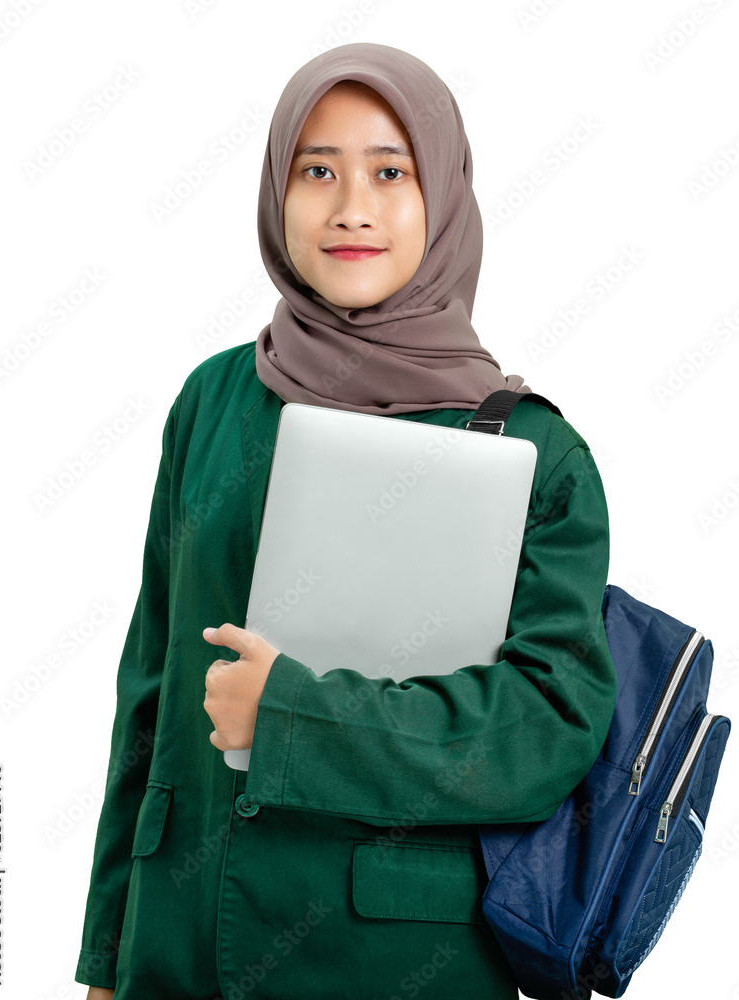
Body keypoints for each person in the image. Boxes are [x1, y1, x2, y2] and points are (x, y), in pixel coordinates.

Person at [76, 42, 618, 1000]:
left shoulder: (533, 453)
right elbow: (149, 685)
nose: (351, 206)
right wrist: (105, 952)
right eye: (316, 168)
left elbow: (546, 729)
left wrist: (291, 714)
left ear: (444, 192)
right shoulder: (213, 401)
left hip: (393, 960)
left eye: (391, 171)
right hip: (176, 946)